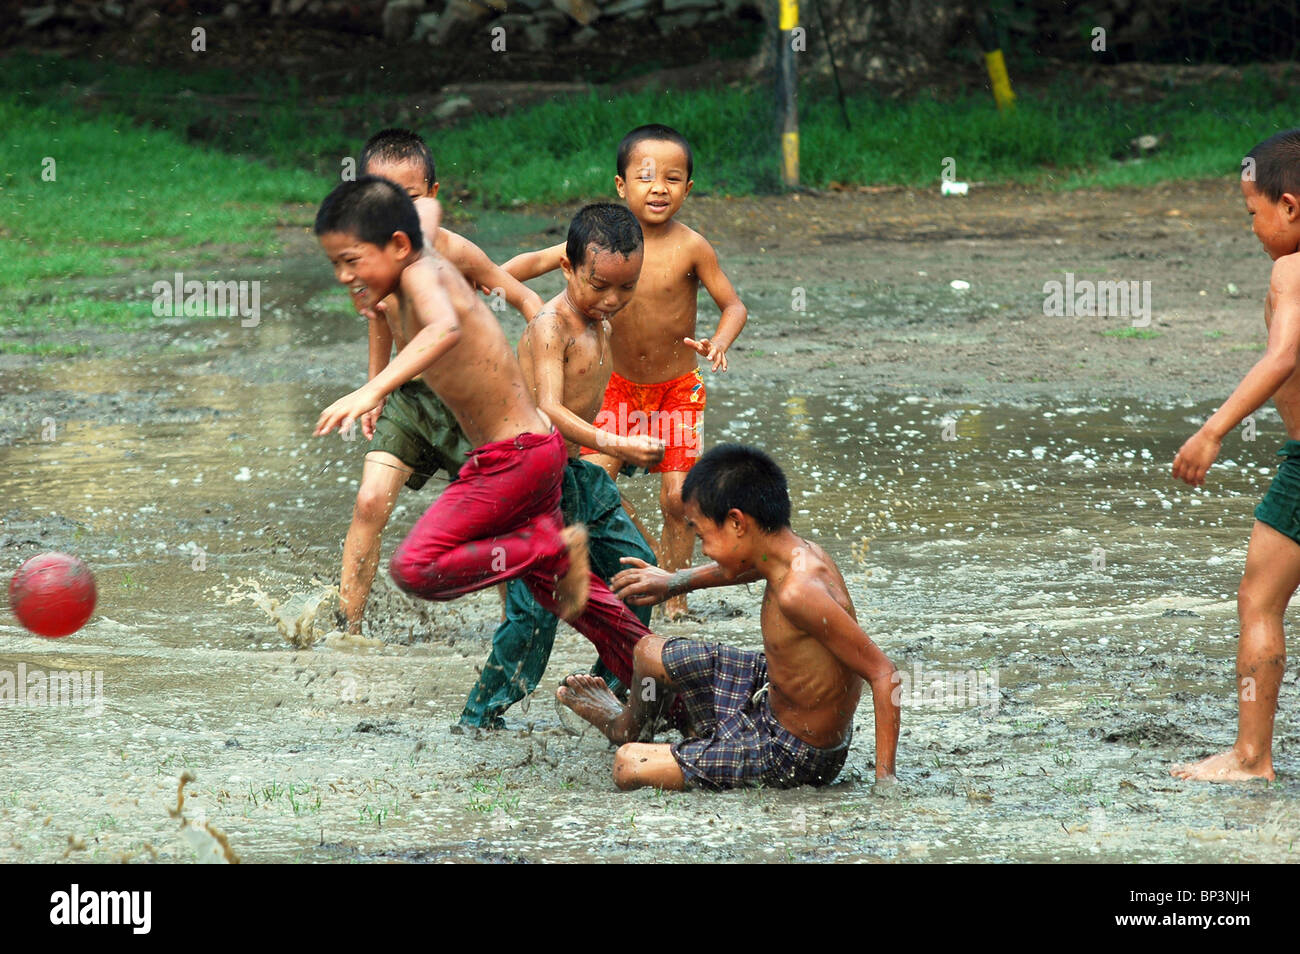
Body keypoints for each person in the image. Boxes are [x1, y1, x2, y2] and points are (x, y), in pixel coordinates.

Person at [313, 176, 649, 689]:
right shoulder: (417, 241)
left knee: (416, 567)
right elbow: (428, 207)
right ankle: (661, 675)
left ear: (397, 246)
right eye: (336, 262)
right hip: (535, 453)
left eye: (353, 261)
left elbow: (443, 328)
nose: (343, 276)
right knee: (574, 601)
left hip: (512, 458)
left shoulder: (420, 272)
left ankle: (546, 548)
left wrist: (370, 388)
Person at [504, 125, 748, 619]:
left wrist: (718, 343)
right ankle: (628, 572)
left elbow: (734, 305)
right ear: (621, 186)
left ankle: (673, 596)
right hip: (614, 390)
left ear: (688, 189)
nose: (659, 187)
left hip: (677, 390)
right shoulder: (597, 246)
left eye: (673, 178)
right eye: (646, 177)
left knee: (679, 500)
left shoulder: (692, 247)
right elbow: (526, 265)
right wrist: (492, 281)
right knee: (594, 482)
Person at [557, 444, 900, 791]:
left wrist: (885, 784)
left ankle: (680, 739)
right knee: (645, 652)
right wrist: (673, 582)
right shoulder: (791, 552)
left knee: (629, 764)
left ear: (736, 522)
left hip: (792, 750)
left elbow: (883, 673)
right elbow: (747, 565)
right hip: (770, 691)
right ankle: (626, 725)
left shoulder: (801, 592)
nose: (703, 549)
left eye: (703, 535)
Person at [460, 203, 666, 728]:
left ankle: (604, 689)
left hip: (575, 475)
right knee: (534, 613)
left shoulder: (602, 321)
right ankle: (480, 718)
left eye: (627, 288)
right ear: (569, 268)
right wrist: (614, 442)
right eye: (600, 286)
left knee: (638, 576)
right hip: (527, 477)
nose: (613, 300)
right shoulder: (552, 325)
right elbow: (550, 408)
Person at [338, 128, 542, 635]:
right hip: (408, 398)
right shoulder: (369, 263)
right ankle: (348, 630)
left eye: (407, 198)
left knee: (494, 520)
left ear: (431, 198)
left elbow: (523, 299)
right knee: (368, 501)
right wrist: (375, 390)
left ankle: (510, 628)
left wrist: (539, 378)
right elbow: (379, 321)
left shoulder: (454, 250)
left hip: (470, 405)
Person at [1171, 129, 1300, 782]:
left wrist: (1214, 430)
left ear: (1290, 207)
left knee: (1259, 602)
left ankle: (1251, 757)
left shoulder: (1291, 269)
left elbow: (1282, 356)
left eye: (1253, 213)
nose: (1252, 229)